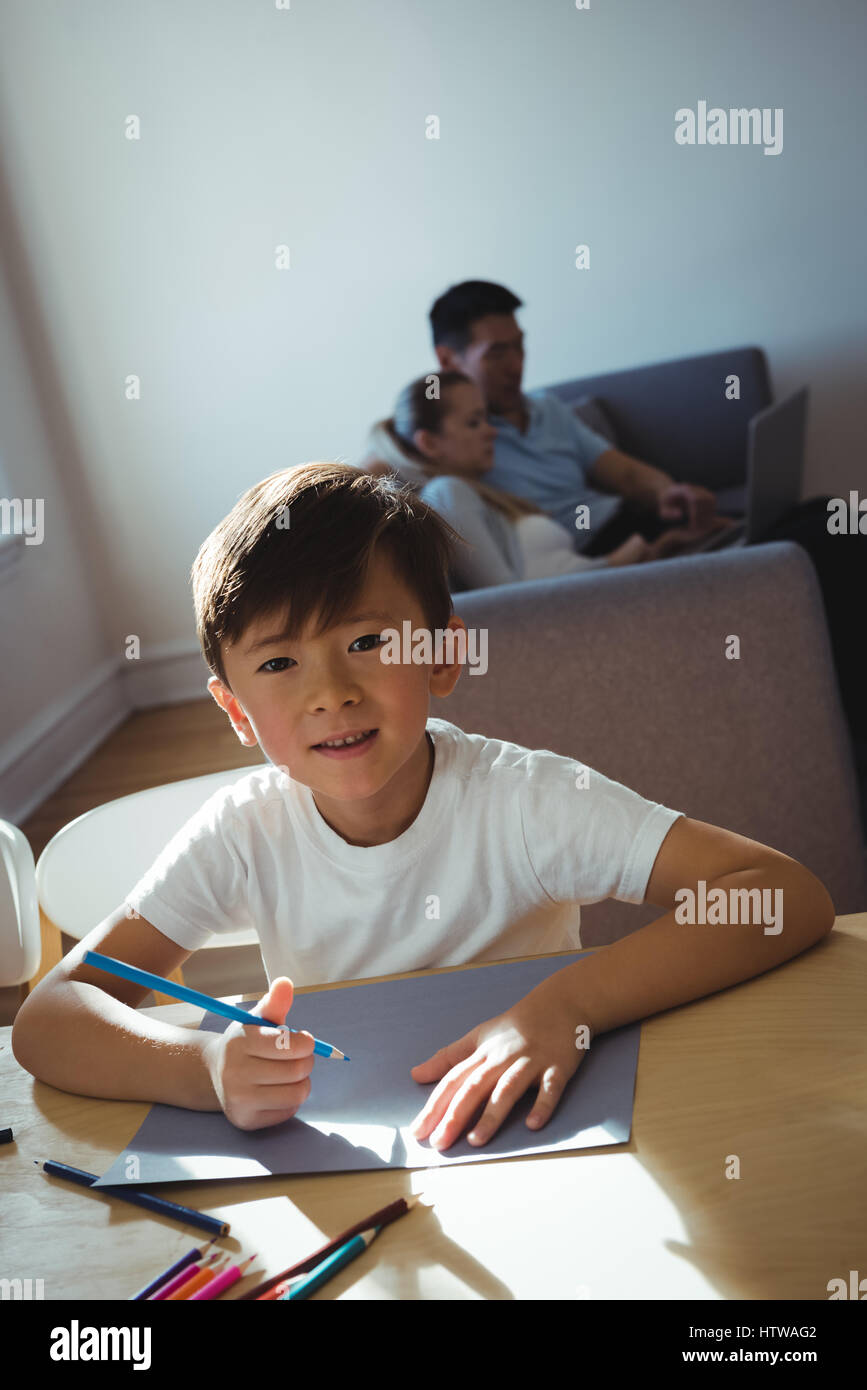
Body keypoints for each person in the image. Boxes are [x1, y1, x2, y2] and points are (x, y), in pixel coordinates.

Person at [12, 463, 835, 1151]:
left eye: (367, 643)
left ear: (442, 655)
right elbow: (48, 1019)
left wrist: (568, 1006)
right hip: (350, 1155)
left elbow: (782, 896)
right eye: (279, 663)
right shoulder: (243, 832)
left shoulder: (523, 799)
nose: (330, 694)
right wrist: (203, 1069)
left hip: (533, 1134)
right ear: (233, 711)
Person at [428, 279, 867, 775]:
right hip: (605, 551)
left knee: (830, 519)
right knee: (818, 544)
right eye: (497, 353)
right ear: (449, 360)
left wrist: (669, 494)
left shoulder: (548, 409)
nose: (516, 364)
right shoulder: (450, 437)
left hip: (636, 521)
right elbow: (379, 470)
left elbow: (623, 472)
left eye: (521, 346)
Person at [362, 371, 704, 590]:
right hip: (585, 603)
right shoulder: (446, 494)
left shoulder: (475, 493)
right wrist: (620, 560)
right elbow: (508, 596)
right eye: (474, 423)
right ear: (430, 443)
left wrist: (656, 550)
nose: (491, 430)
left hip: (604, 586)